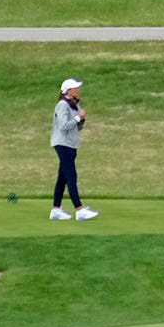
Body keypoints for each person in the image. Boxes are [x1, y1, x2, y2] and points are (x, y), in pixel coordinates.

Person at [49, 78, 97, 221]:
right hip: (62, 144)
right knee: (71, 176)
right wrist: (78, 118)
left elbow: (77, 127)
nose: (78, 89)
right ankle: (79, 209)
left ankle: (56, 210)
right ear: (68, 90)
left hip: (71, 144)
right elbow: (63, 126)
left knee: (62, 178)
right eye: (75, 88)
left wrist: (81, 120)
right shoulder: (62, 105)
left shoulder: (75, 105)